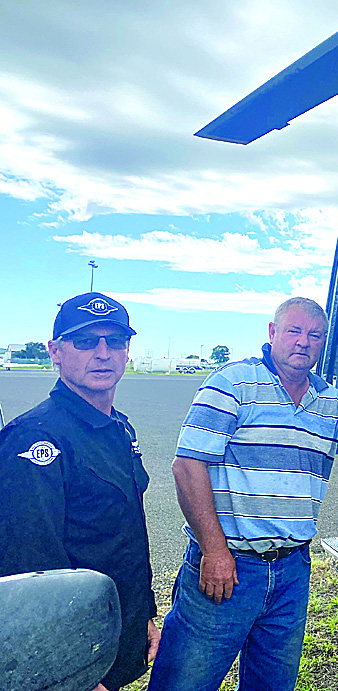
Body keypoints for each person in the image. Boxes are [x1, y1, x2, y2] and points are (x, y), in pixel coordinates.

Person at [149, 297, 338, 691]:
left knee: (273, 684)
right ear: (272, 333)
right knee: (185, 682)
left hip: (291, 571)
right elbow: (187, 466)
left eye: (314, 335)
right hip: (229, 567)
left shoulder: (331, 402)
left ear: (324, 343)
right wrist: (215, 551)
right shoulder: (233, 383)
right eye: (294, 331)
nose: (303, 342)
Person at [0, 292, 160, 691]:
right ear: (55, 352)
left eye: (115, 341)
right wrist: (70, 674)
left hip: (116, 628)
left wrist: (145, 613)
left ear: (127, 352)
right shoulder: (36, 438)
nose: (103, 353)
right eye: (86, 341)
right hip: (70, 657)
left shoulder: (119, 428)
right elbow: (28, 566)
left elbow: (126, 534)